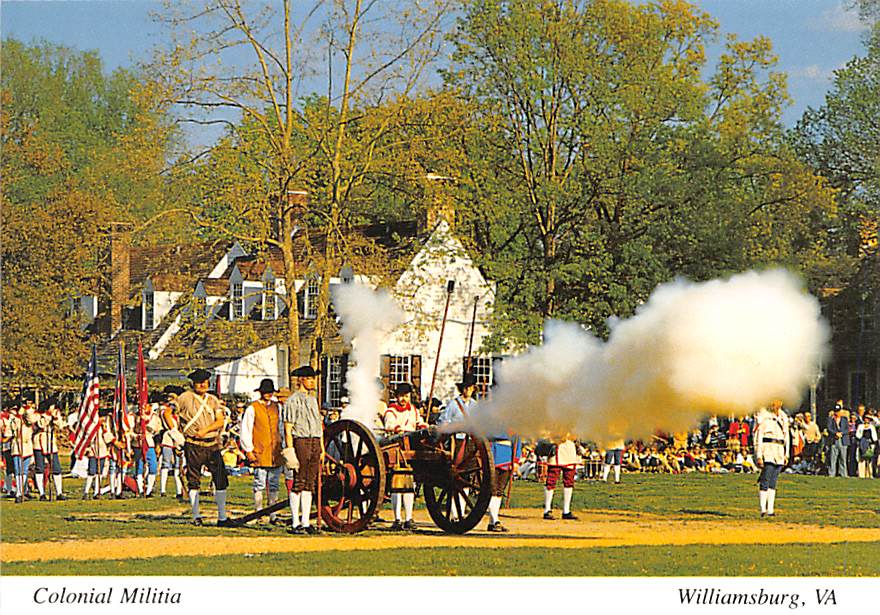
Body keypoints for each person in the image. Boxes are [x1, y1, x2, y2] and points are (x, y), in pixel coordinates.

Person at [177, 368, 233, 527]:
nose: (202, 385)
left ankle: (222, 516)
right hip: (193, 444)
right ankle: (196, 515)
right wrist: (177, 432)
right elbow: (169, 412)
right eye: (199, 382)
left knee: (220, 479)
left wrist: (205, 431)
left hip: (212, 444)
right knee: (194, 480)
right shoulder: (185, 398)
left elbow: (220, 421)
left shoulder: (213, 400)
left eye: (205, 382)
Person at [282, 365, 323, 535]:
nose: (313, 381)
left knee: (310, 483)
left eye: (313, 378)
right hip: (301, 440)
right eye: (309, 378)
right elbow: (288, 426)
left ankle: (306, 521)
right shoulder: (292, 400)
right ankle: (295, 522)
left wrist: (321, 448)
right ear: (301, 380)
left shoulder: (313, 400)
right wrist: (290, 448)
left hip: (314, 440)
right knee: (299, 480)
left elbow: (318, 425)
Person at [383, 382, 427, 530]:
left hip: (412, 449)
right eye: (401, 396)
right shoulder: (391, 411)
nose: (404, 399)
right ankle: (397, 519)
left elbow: (419, 422)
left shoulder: (413, 410)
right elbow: (389, 424)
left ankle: (408, 518)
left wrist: (423, 426)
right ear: (397, 397)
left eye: (406, 396)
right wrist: (397, 428)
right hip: (396, 448)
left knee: (409, 486)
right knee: (397, 486)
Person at [240, 378, 284, 525]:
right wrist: (248, 450)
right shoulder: (252, 408)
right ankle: (259, 512)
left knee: (274, 484)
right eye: (266, 392)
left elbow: (282, 428)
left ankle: (273, 513)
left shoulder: (278, 407)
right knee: (259, 483)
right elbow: (245, 430)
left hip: (275, 451)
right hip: (259, 450)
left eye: (270, 392)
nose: (268, 394)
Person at [754, 400, 790, 517]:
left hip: (779, 450)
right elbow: (758, 437)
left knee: (773, 481)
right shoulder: (763, 417)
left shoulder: (784, 417)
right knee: (766, 478)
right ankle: (762, 508)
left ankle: (770, 509)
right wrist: (759, 455)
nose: (776, 405)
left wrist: (786, 454)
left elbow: (786, 437)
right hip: (767, 450)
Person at [33, 402, 67, 500]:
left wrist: (56, 417)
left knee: (56, 468)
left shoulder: (55, 414)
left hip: (51, 443)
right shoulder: (38, 415)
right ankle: (42, 493)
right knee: (40, 468)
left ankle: (59, 492)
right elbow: (41, 424)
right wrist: (48, 416)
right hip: (39, 442)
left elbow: (60, 426)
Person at [543, 436, 579, 520]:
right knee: (551, 481)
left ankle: (566, 511)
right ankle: (547, 510)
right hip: (556, 450)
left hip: (570, 451)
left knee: (569, 482)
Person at [159, 385, 185, 500]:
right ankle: (163, 489)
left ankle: (179, 490)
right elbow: (168, 421)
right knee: (166, 463)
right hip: (169, 436)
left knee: (178, 465)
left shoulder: (176, 414)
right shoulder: (164, 410)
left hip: (177, 436)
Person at [83, 410, 114, 500]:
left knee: (99, 473)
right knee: (91, 472)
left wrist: (105, 430)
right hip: (94, 451)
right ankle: (86, 491)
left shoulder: (105, 427)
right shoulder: (93, 427)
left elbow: (108, 439)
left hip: (103, 451)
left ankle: (96, 491)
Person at [133, 402, 162, 497]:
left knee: (153, 466)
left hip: (149, 443)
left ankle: (149, 490)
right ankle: (140, 490)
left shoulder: (155, 417)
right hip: (138, 443)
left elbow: (157, 431)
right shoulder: (135, 417)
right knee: (139, 467)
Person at [9, 404, 37, 503]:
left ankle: (22, 491)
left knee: (24, 470)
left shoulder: (30, 418)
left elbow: (32, 420)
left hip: (27, 446)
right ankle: (18, 493)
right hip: (17, 445)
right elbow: (12, 429)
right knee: (18, 470)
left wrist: (27, 410)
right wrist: (18, 416)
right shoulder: (14, 418)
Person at [826, 402, 850, 477]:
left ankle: (843, 474)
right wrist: (835, 433)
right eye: (836, 411)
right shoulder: (831, 419)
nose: (837, 413)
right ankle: (832, 473)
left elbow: (847, 429)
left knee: (843, 458)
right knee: (833, 458)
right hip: (834, 440)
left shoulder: (844, 419)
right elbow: (829, 428)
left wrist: (841, 433)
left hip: (843, 441)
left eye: (838, 411)